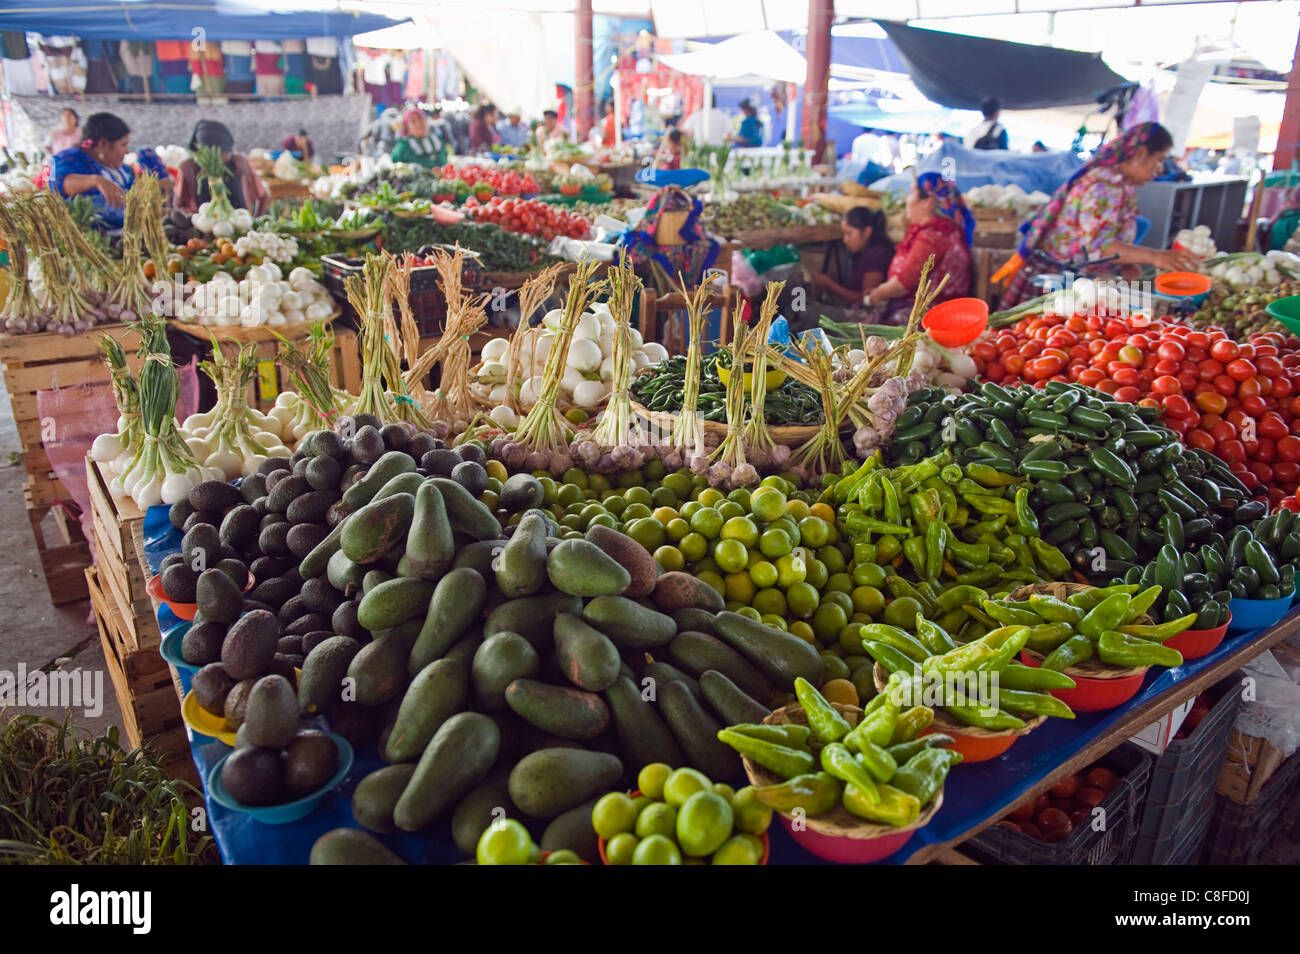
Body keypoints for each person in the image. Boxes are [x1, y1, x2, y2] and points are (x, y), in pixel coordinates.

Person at [1001, 121, 1200, 306]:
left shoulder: (1120, 183)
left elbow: (1105, 240)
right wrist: (1155, 257)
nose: (1160, 169)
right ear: (1141, 153)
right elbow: (1099, 246)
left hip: (1080, 281)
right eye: (1159, 160)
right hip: (1061, 281)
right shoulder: (1104, 185)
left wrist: (1126, 263)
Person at [865, 172, 974, 322]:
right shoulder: (941, 232)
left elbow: (903, 284)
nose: (907, 200)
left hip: (928, 317)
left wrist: (878, 293)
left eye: (911, 193)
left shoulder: (934, 237)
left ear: (927, 203)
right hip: (922, 309)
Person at [51, 112, 170, 231]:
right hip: (90, 241)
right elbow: (57, 183)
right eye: (123, 145)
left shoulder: (121, 170)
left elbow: (131, 200)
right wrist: (95, 181)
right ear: (103, 144)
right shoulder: (68, 159)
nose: (127, 151)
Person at [809, 206, 896, 315]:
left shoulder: (878, 253)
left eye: (849, 233)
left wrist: (829, 284)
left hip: (868, 315)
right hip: (853, 308)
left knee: (808, 316)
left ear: (867, 232)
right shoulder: (860, 251)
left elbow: (865, 299)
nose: (845, 240)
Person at [173, 120, 269, 216]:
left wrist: (257, 220)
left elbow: (263, 195)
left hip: (241, 227)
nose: (218, 161)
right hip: (201, 227)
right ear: (203, 153)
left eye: (223, 153)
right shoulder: (187, 168)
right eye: (214, 156)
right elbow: (178, 205)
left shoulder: (241, 163)